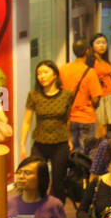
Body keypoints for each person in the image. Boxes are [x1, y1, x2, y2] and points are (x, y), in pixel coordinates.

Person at [21, 60, 76, 206]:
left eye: (45, 72)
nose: (41, 76)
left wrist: (69, 138)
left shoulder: (67, 95)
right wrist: (22, 144)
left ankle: (57, 212)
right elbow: (27, 121)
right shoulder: (34, 96)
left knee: (59, 182)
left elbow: (67, 119)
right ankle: (38, 210)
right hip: (40, 142)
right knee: (37, 179)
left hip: (60, 143)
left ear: (55, 75)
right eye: (39, 73)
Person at [60, 40, 104, 152]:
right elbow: (95, 98)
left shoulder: (63, 69)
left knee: (70, 151)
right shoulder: (90, 72)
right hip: (86, 117)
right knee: (86, 152)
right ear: (87, 51)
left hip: (68, 118)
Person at [90, 33, 111, 138]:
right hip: (100, 97)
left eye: (103, 43)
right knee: (100, 130)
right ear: (92, 46)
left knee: (106, 129)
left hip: (110, 95)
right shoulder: (91, 61)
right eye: (98, 43)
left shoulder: (104, 60)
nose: (101, 45)